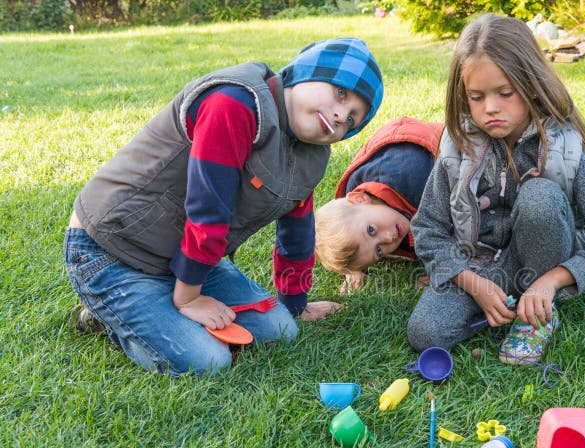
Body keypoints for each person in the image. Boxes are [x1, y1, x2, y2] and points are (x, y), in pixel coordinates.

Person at [64, 38, 383, 375]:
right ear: (303, 73)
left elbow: (297, 230)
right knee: (207, 361)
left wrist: (295, 304)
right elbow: (208, 211)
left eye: (352, 119)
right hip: (112, 249)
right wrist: (189, 298)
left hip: (178, 257)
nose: (340, 115)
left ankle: (162, 303)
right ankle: (110, 313)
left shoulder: (312, 154)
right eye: (340, 93)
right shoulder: (235, 103)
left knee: (281, 330)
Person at [407, 14, 585, 364]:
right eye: (476, 97)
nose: (490, 108)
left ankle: (538, 310)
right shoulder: (457, 146)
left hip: (544, 262)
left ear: (530, 84)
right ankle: (508, 306)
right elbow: (427, 227)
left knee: (539, 198)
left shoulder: (564, 147)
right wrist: (473, 285)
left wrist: (551, 282)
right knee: (425, 333)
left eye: (505, 93)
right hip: (480, 265)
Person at [314, 117, 443, 292]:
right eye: (379, 251)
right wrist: (355, 268)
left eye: (372, 230)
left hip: (439, 149)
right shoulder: (358, 210)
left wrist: (443, 268)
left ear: (360, 199)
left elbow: (458, 218)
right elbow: (355, 240)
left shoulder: (417, 179)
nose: (388, 239)